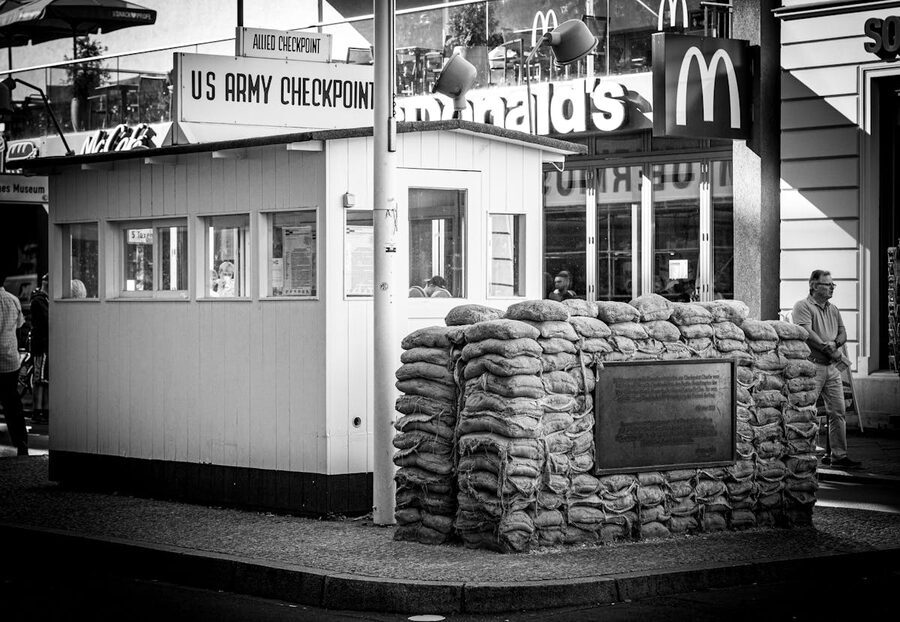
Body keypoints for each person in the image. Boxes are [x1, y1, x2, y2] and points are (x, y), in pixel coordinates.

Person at [792, 269, 861, 469]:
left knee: (838, 412)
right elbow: (806, 332)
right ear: (814, 285)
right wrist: (826, 346)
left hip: (831, 368)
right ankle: (805, 455)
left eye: (833, 284)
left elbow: (843, 332)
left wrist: (836, 344)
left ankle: (839, 456)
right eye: (827, 284)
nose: (832, 287)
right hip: (813, 366)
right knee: (807, 412)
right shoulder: (802, 306)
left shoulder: (833, 309)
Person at [0, 270, 28, 456]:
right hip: (10, 359)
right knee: (12, 402)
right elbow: (19, 326)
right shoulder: (13, 300)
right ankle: (21, 442)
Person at [30, 274, 49, 425]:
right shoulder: (39, 301)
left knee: (44, 379)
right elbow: (47, 320)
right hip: (41, 345)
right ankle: (38, 411)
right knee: (40, 378)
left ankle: (43, 410)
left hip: (44, 343)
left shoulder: (40, 299)